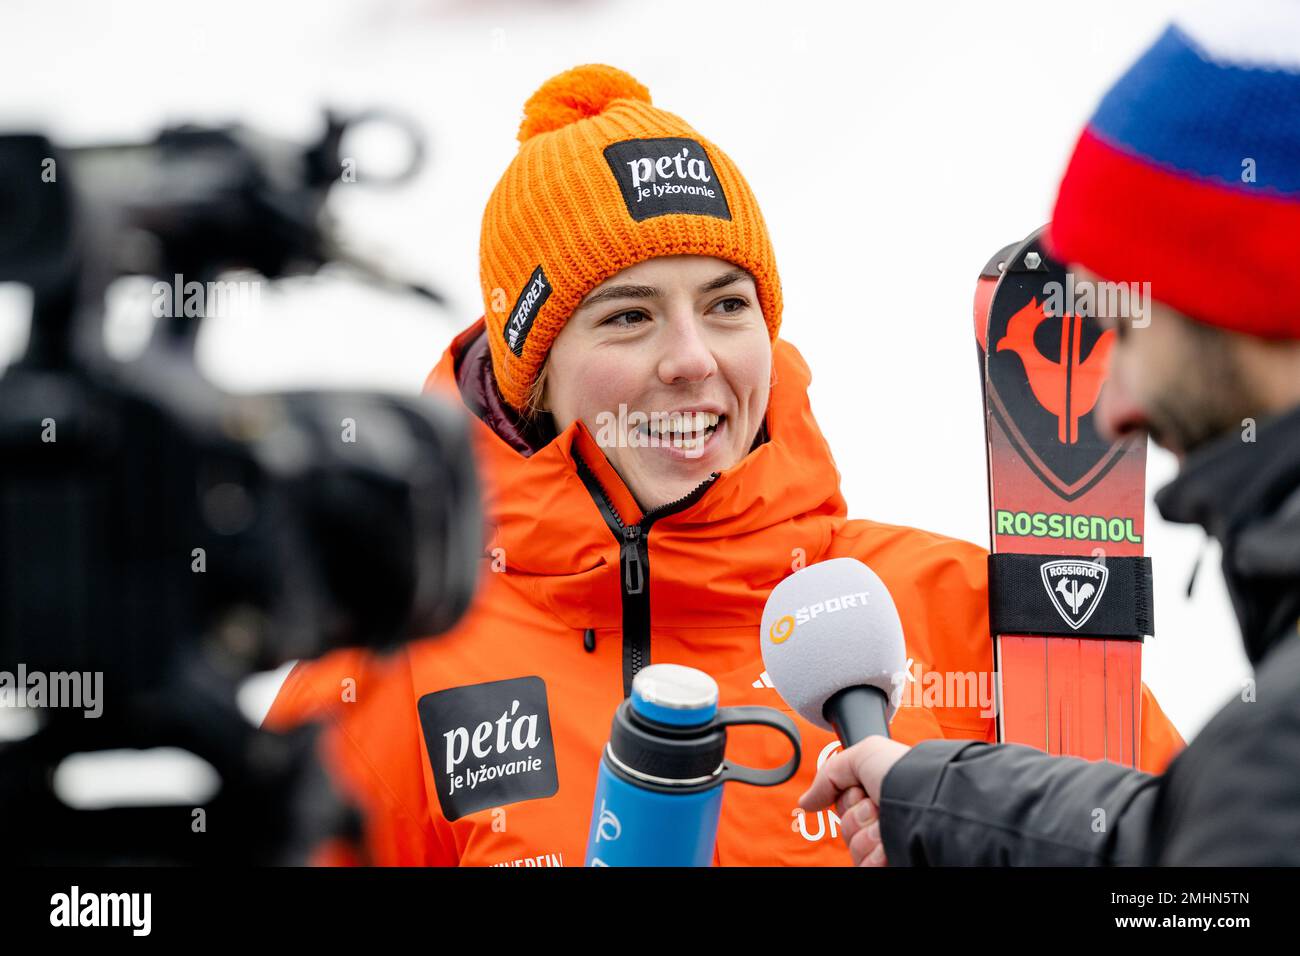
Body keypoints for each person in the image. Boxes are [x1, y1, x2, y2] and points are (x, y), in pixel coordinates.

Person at [263, 63, 1183, 866]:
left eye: (727, 305)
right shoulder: (396, 663)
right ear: (533, 379)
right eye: (627, 314)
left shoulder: (964, 617)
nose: (693, 359)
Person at [799, 4, 1300, 866]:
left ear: (1251, 292)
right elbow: (1161, 855)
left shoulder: (1271, 760)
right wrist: (936, 804)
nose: (1109, 415)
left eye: (1129, 332)